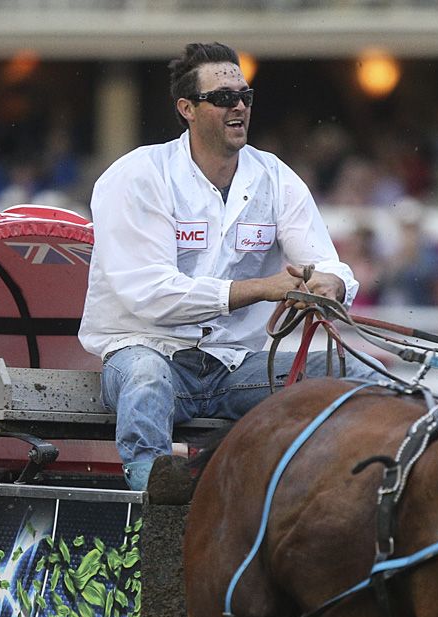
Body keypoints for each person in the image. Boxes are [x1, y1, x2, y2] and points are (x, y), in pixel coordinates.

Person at [79, 42, 378, 495]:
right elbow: (151, 294)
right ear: (187, 109)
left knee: (360, 371)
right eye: (222, 98)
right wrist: (264, 288)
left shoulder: (275, 176)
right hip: (147, 352)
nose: (238, 105)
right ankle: (150, 500)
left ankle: (355, 491)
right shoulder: (139, 174)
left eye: (245, 96)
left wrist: (330, 282)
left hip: (235, 369)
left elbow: (326, 261)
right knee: (145, 378)